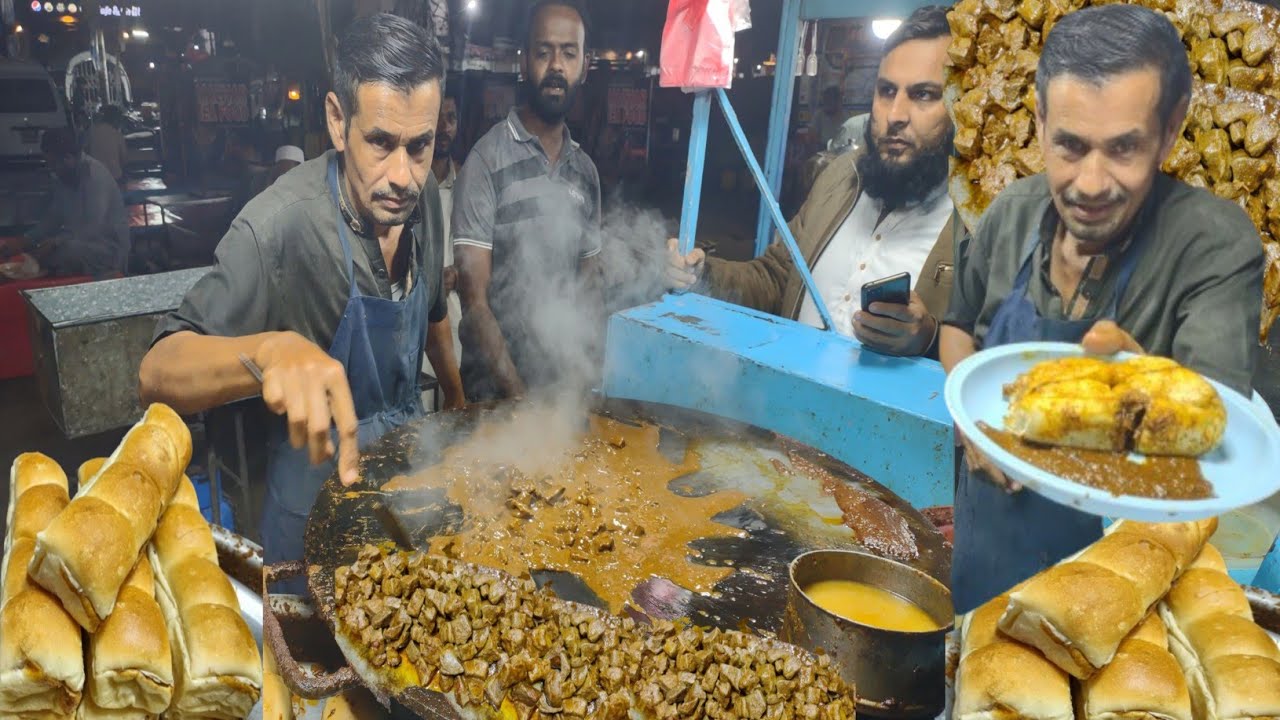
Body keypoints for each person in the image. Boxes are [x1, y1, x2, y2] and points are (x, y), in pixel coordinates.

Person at [940, 4, 1264, 614]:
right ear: (1038, 123)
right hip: (983, 565)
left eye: (1122, 149)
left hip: (1116, 602)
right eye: (1069, 145)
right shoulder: (1011, 213)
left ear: (1170, 130)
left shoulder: (1213, 244)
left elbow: (1217, 435)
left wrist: (1146, 392)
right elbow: (958, 329)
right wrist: (968, 425)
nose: (1089, 183)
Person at [138, 13, 465, 572]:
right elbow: (155, 370)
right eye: (380, 143)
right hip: (311, 515)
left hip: (404, 495)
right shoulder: (278, 226)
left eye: (420, 146)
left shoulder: (425, 197)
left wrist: (457, 401)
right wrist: (269, 351)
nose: (402, 175)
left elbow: (433, 313)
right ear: (338, 121)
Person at [666, 6, 958, 358]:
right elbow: (776, 279)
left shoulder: (978, 221)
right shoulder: (840, 178)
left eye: (924, 94)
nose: (895, 115)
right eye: (886, 91)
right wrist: (702, 275)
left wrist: (928, 339)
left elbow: (1001, 362)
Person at [453, 0, 604, 401]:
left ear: (584, 66)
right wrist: (521, 400)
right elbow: (475, 304)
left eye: (569, 53)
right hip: (494, 399)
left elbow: (590, 290)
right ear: (524, 63)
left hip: (561, 392)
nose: (556, 65)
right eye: (544, 51)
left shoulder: (585, 172)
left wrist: (583, 381)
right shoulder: (485, 161)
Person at [18, 127, 130, 279]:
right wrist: (27, 239)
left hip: (109, 250)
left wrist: (54, 242)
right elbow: (53, 217)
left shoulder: (95, 176)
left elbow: (92, 229)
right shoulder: (64, 177)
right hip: (80, 245)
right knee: (40, 254)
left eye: (53, 164)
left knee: (60, 252)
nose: (53, 170)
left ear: (68, 158)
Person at [423, 85, 463, 409]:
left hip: (455, 314)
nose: (444, 127)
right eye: (438, 118)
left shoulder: (465, 183)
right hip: (419, 316)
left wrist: (459, 274)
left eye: (450, 118)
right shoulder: (408, 183)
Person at [86, 105, 129, 185]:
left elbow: (86, 152)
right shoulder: (117, 135)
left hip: (95, 176)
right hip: (114, 177)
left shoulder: (91, 131)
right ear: (116, 119)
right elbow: (124, 159)